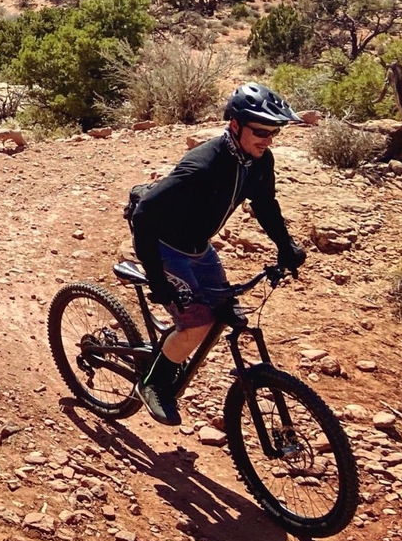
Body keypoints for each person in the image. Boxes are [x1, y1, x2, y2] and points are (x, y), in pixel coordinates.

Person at [129, 83, 308, 425]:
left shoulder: (259, 161)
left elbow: (266, 205)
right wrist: (156, 279)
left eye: (274, 133)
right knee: (198, 323)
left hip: (199, 246)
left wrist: (285, 246)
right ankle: (153, 383)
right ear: (236, 125)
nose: (267, 140)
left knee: (224, 305)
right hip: (165, 247)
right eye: (260, 131)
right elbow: (144, 215)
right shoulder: (202, 165)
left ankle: (171, 347)